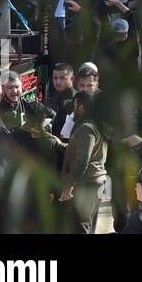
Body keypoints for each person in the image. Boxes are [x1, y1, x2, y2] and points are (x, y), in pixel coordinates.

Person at [59, 90, 108, 234]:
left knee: (81, 227)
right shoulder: (97, 125)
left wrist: (68, 187)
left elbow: (83, 160)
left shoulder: (86, 128)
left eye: (75, 106)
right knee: (88, 227)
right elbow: (85, 151)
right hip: (95, 182)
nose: (73, 110)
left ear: (81, 107)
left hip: (87, 183)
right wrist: (59, 144)